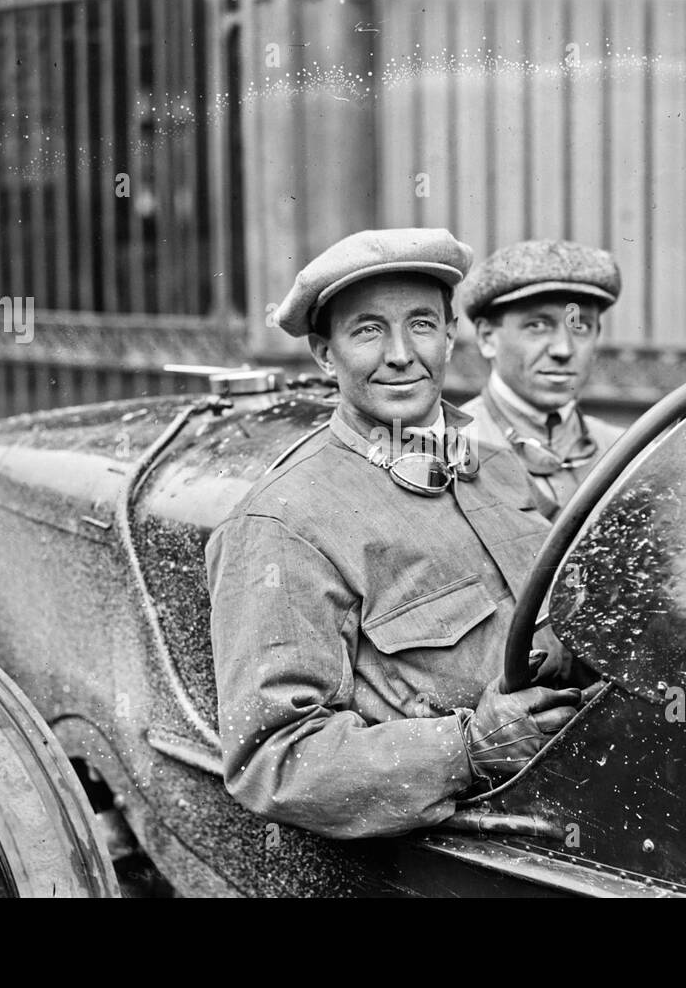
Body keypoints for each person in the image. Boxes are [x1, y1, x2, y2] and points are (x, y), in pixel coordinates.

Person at [204, 228, 590, 840]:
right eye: (367, 330)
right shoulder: (283, 523)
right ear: (324, 354)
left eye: (421, 324)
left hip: (582, 789)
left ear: (450, 333)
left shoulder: (493, 465)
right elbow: (273, 760)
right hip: (473, 841)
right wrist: (468, 748)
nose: (402, 354)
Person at [459, 240, 627, 519]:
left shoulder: (627, 451)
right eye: (537, 325)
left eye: (581, 326)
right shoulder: (451, 450)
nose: (563, 349)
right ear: (487, 337)